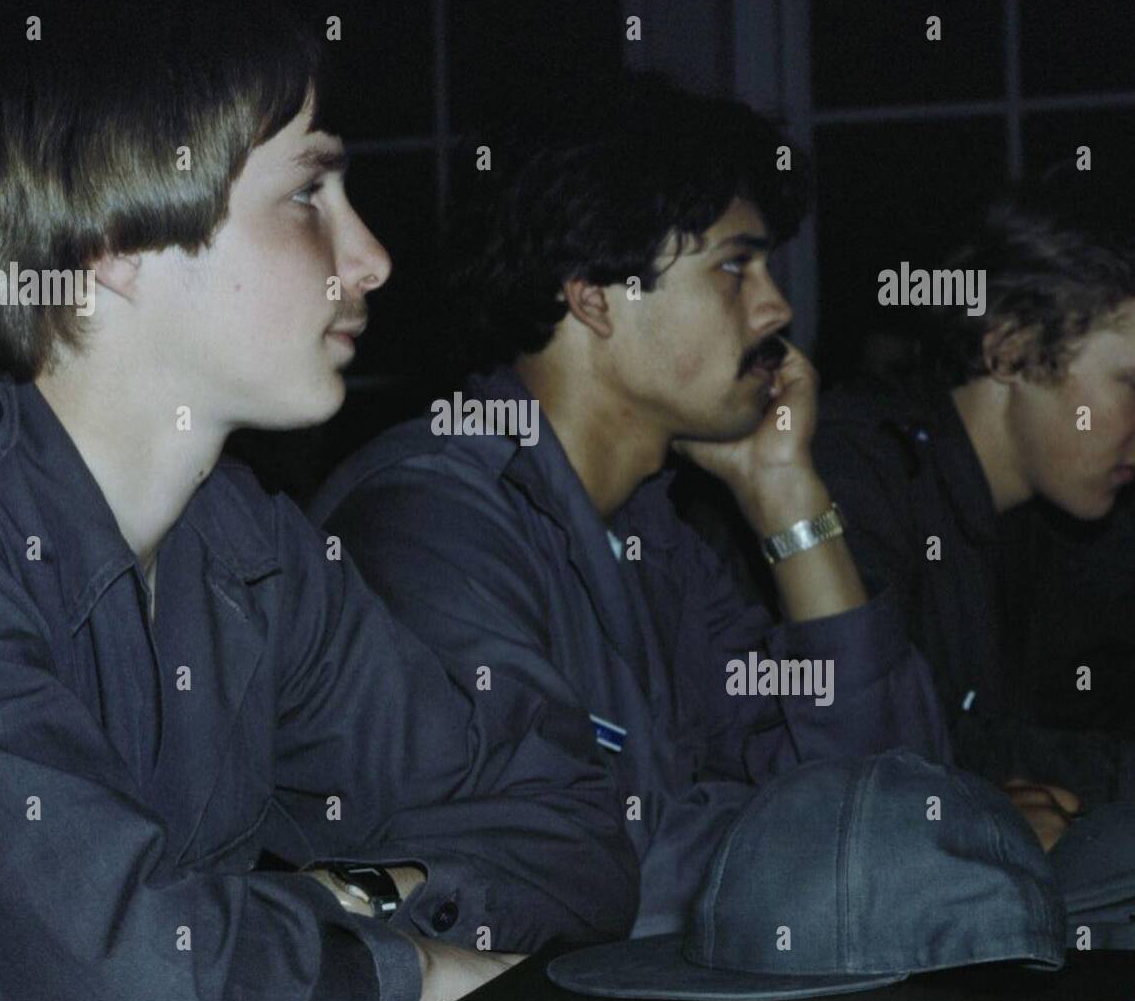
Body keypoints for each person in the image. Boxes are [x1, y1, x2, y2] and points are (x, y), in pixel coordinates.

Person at [0, 0, 638, 1001]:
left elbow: (574, 833)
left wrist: (341, 896)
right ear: (108, 240)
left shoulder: (245, 545)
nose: (369, 258)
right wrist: (413, 965)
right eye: (308, 194)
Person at [310, 76, 951, 939]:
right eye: (735, 266)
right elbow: (571, 879)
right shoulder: (430, 527)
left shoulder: (650, 532)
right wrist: (828, 841)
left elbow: (887, 788)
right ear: (595, 296)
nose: (776, 307)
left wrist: (786, 497)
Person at [805, 172, 1135, 846]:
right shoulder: (856, 473)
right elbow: (868, 772)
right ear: (1009, 349)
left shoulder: (1060, 513)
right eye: (1131, 384)